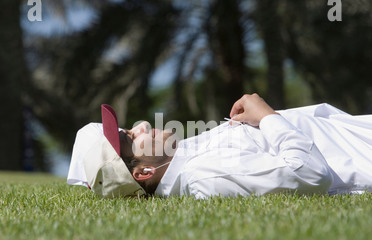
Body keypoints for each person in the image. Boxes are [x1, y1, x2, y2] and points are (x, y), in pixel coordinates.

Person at [67, 93, 372, 199]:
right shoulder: (203, 177)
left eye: (128, 128)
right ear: (144, 172)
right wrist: (267, 116)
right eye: (131, 138)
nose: (142, 126)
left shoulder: (186, 156)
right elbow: (310, 176)